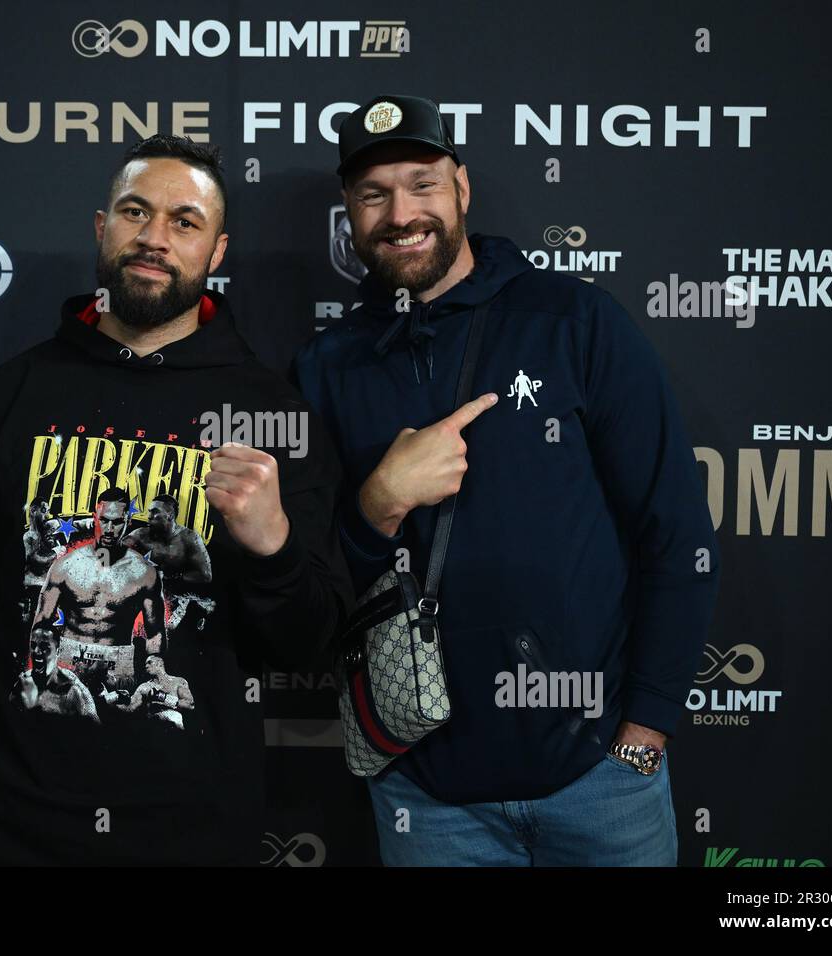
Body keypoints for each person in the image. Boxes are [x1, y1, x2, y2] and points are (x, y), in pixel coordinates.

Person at [292, 94, 721, 866]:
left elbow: (675, 534)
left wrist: (646, 731)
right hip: (424, 793)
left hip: (599, 781)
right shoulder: (327, 366)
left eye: (422, 183)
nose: (400, 212)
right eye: (372, 194)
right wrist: (376, 505)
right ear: (349, 215)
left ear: (461, 188)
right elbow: (311, 586)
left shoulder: (574, 320)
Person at [0, 133, 353, 866]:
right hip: (10, 820)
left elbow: (307, 645)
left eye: (185, 222)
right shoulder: (9, 396)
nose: (154, 238)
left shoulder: (273, 415)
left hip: (193, 831)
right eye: (134, 212)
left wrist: (272, 544)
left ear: (216, 254)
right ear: (101, 226)